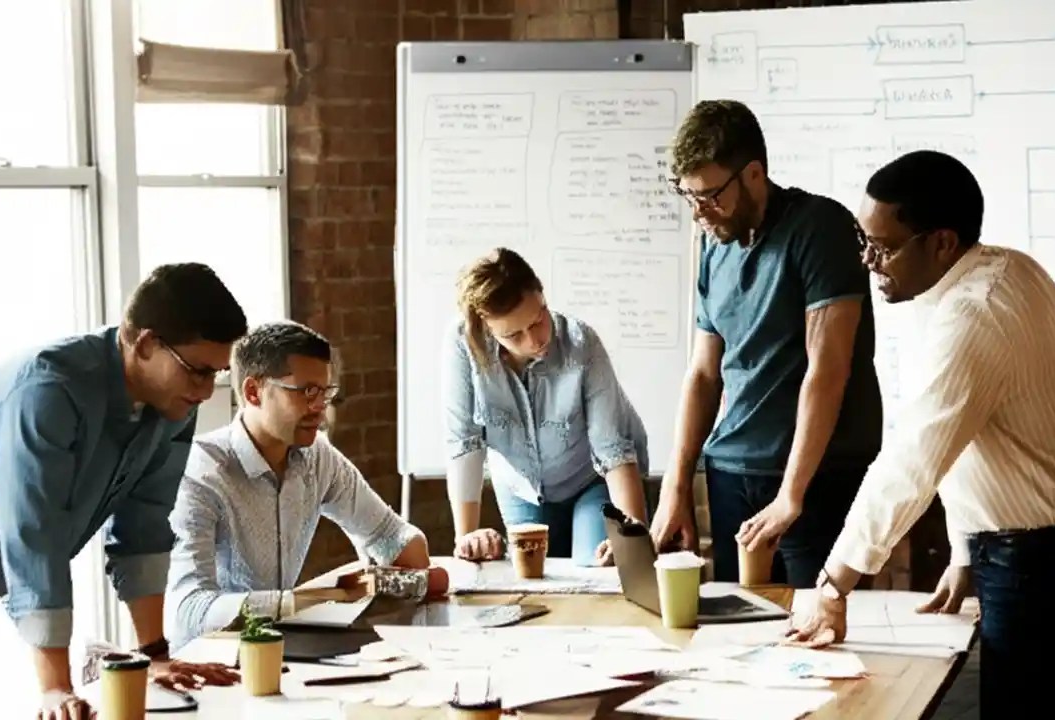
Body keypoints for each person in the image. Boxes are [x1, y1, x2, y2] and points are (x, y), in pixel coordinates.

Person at [787, 150, 1055, 719]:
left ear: (942, 243)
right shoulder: (1007, 269)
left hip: (1040, 557)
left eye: (884, 247)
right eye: (862, 241)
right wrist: (966, 548)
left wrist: (831, 585)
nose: (868, 260)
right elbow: (969, 435)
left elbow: (913, 460)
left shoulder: (974, 316)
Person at [0, 263, 248, 720]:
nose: (206, 391)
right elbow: (34, 532)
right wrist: (55, 689)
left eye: (216, 374)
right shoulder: (48, 389)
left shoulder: (173, 405)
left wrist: (154, 655)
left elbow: (144, 527)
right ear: (146, 343)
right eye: (197, 371)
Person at [649, 99, 883, 587]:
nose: (698, 213)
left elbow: (828, 369)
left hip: (816, 479)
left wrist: (791, 495)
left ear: (754, 173)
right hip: (733, 472)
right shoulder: (713, 245)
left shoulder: (820, 227)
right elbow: (703, 375)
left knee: (815, 619)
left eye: (710, 196)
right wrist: (675, 487)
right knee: (742, 621)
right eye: (687, 196)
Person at [166, 321, 435, 650]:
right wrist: (302, 602)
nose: (320, 408)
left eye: (325, 392)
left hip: (282, 651)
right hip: (211, 661)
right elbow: (187, 612)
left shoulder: (317, 456)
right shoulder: (201, 473)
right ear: (253, 392)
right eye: (306, 392)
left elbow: (392, 535)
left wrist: (395, 577)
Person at [441, 247, 650, 566]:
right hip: (520, 489)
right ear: (486, 327)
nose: (534, 340)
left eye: (539, 319)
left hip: (589, 481)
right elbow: (464, 441)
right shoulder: (462, 344)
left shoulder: (582, 343)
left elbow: (613, 450)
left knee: (596, 566)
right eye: (514, 335)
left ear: (541, 294)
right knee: (533, 577)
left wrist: (631, 538)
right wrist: (466, 537)